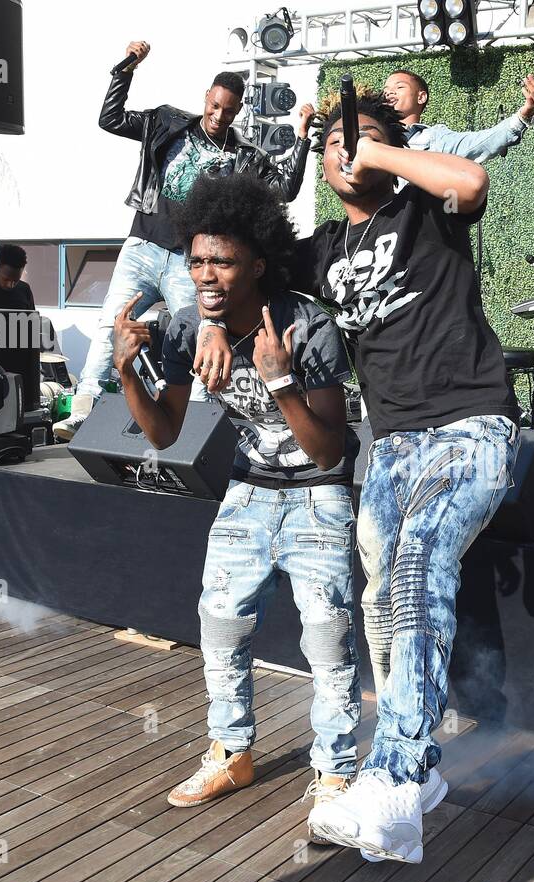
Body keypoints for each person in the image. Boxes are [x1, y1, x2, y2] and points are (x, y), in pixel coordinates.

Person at [296, 88, 521, 863]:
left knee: (423, 560)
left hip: (469, 428)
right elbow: (245, 259)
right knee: (384, 604)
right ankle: (419, 775)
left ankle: (390, 774)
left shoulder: (425, 210)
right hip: (389, 448)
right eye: (334, 144)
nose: (344, 149)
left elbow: (472, 182)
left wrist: (379, 146)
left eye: (359, 139)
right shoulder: (323, 248)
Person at [112, 170, 361, 840]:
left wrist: (278, 379)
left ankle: (334, 770)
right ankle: (232, 753)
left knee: (326, 638)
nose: (206, 273)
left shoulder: (307, 324)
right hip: (248, 490)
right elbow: (163, 432)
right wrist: (126, 369)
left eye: (222, 260)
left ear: (258, 261)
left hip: (317, 497)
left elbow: (330, 452)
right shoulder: (187, 327)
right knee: (219, 624)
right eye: (196, 259)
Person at [53, 39, 316, 441]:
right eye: (214, 105)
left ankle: (198, 420)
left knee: (199, 333)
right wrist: (126, 68)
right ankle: (84, 407)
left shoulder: (244, 157)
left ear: (238, 110)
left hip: (186, 261)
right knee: (111, 321)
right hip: (142, 245)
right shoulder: (166, 123)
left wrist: (301, 137)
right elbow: (110, 119)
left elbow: (285, 189)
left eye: (228, 111)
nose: (218, 115)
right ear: (206, 98)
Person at [383, 68, 534, 162]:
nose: (389, 93)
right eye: (386, 90)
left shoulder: (435, 140)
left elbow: (479, 143)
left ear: (421, 97)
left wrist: (524, 115)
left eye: (399, 87)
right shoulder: (369, 135)